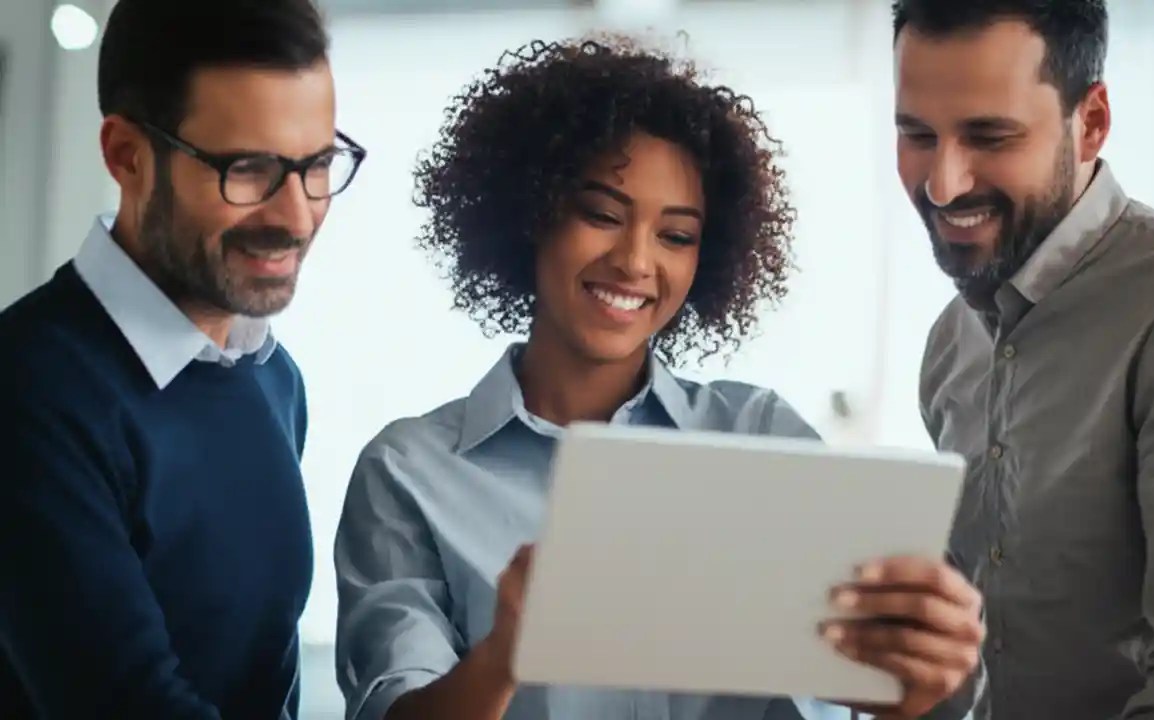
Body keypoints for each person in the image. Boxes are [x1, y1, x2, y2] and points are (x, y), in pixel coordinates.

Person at [334, 36, 982, 720]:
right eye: (602, 215)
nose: (635, 261)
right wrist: (505, 654)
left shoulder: (758, 435)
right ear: (531, 214)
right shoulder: (409, 473)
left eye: (676, 236)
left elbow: (871, 685)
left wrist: (922, 681)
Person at [892, 1, 1154, 718]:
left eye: (990, 135)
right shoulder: (952, 341)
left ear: (1091, 121)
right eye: (917, 134)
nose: (942, 184)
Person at [0, 0, 365, 717]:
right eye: (249, 169)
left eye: (317, 164)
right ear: (127, 156)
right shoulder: (29, 389)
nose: (296, 216)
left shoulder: (271, 378)